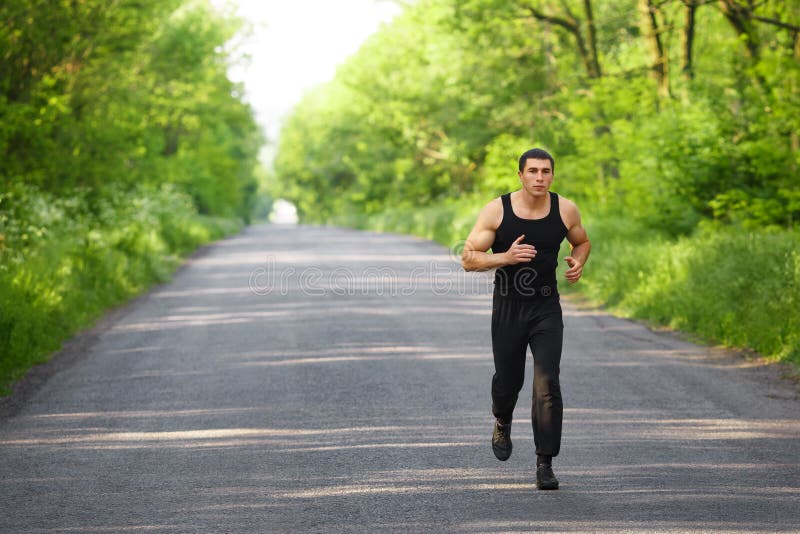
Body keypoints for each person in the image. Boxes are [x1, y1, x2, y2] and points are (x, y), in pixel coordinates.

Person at [461, 147, 591, 490]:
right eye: (532, 171)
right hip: (508, 307)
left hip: (546, 307)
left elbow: (582, 241)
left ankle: (545, 463)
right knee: (509, 382)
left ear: (552, 174)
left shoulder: (565, 209)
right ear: (520, 174)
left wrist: (579, 261)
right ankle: (502, 419)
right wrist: (506, 257)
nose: (539, 177)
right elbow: (469, 258)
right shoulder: (497, 211)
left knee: (547, 383)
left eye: (545, 171)